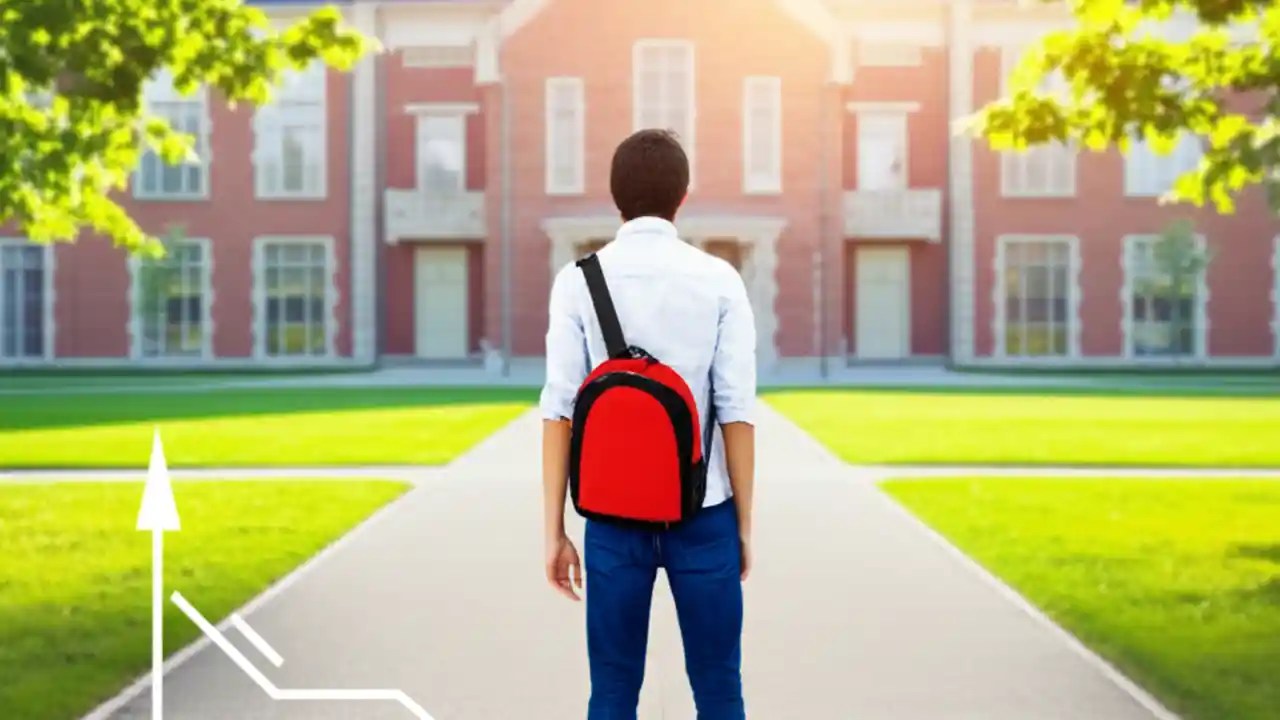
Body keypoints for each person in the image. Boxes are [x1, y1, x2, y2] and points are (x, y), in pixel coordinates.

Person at [539, 128, 758, 720]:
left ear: (616, 198)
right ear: (681, 197)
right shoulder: (719, 281)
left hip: (611, 520)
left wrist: (554, 529)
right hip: (703, 514)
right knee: (719, 690)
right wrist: (742, 523)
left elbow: (559, 410)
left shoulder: (578, 282)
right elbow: (737, 411)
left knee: (611, 693)